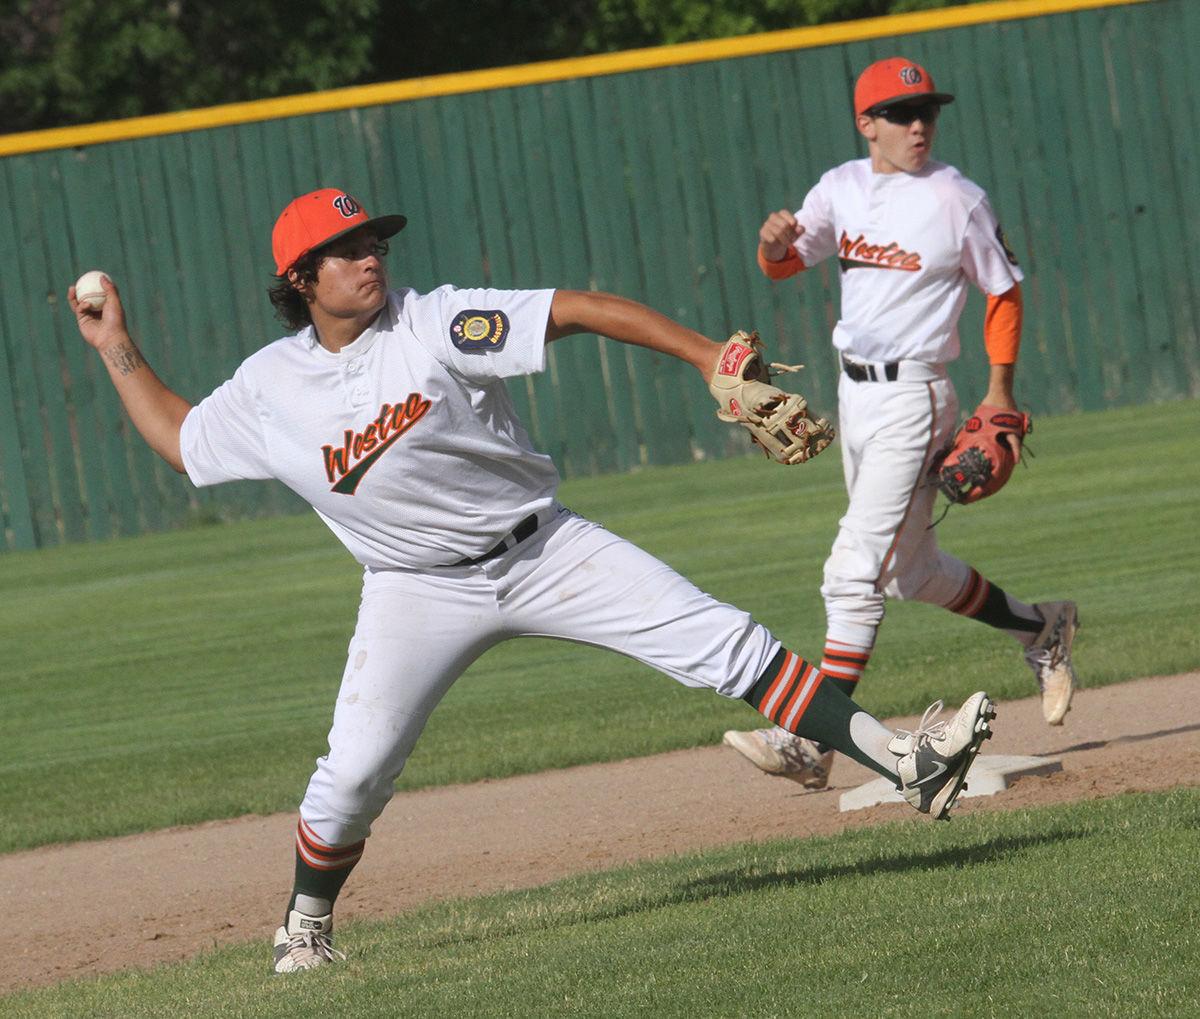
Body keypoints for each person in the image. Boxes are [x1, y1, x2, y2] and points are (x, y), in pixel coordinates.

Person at [69, 186, 996, 974]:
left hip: (545, 549)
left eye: (373, 241)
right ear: (300, 280)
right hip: (413, 587)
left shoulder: (433, 320)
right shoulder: (270, 387)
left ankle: (905, 764)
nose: (368, 257)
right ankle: (305, 928)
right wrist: (115, 343)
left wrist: (707, 358)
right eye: (343, 250)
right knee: (351, 775)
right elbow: (180, 441)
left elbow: (578, 308)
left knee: (724, 641)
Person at [722, 57, 1078, 790]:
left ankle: (809, 739)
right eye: (902, 114)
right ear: (867, 125)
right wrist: (772, 242)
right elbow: (786, 263)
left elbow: (1002, 292)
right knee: (910, 573)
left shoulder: (957, 199)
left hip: (917, 397)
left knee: (851, 573)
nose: (919, 125)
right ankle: (1041, 628)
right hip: (855, 399)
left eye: (928, 113)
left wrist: (998, 391)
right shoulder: (841, 187)